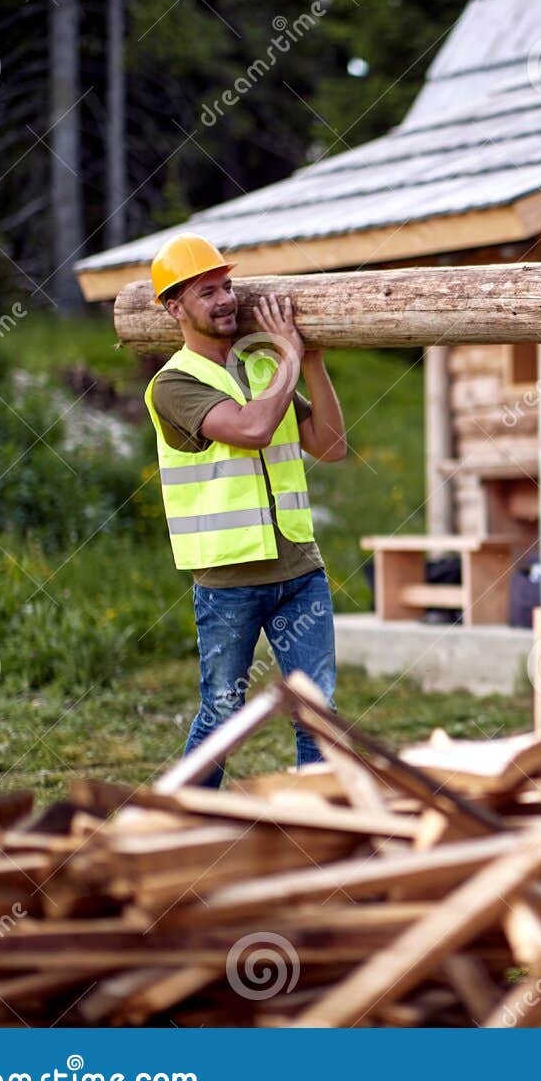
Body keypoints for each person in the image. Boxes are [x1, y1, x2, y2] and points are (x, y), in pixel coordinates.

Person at [143, 233, 347, 787]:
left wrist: (314, 366)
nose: (226, 299)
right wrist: (289, 357)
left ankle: (320, 820)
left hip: (301, 572)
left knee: (318, 712)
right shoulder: (174, 384)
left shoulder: (263, 370)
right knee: (222, 715)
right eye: (207, 291)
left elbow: (331, 446)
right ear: (174, 307)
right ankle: (189, 818)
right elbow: (254, 429)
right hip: (229, 581)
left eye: (227, 286)